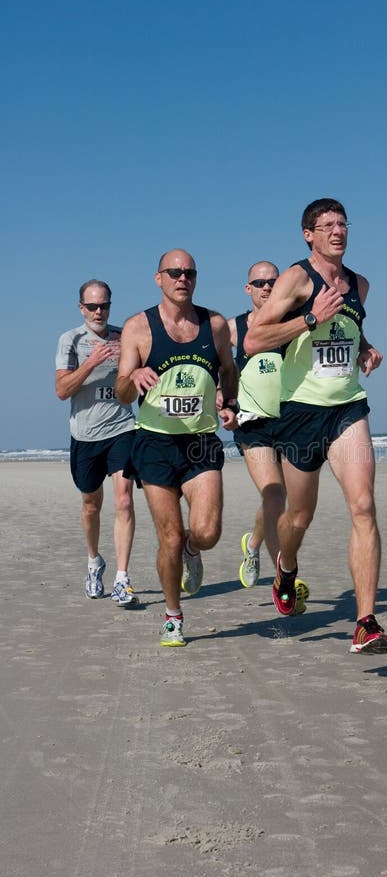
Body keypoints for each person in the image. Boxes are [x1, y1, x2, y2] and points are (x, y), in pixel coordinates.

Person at [244, 198, 387, 655]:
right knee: (299, 516)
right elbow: (253, 339)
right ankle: (285, 567)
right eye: (326, 225)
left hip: (348, 407)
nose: (337, 231)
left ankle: (366, 622)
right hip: (301, 413)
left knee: (363, 506)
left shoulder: (358, 284)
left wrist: (364, 348)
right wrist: (309, 318)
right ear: (308, 234)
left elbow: (350, 326)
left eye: (342, 224)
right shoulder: (296, 279)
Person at [115, 249, 238, 647]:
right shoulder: (138, 327)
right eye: (174, 272)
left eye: (189, 273)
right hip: (153, 442)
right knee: (167, 536)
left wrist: (229, 400)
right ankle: (173, 616)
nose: (182, 278)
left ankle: (192, 548)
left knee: (207, 531)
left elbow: (229, 369)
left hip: (200, 442)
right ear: (159, 278)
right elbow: (120, 394)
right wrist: (133, 374)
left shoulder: (214, 324)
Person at [227, 261, 310, 612]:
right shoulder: (232, 328)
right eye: (259, 282)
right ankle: (284, 580)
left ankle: (253, 544)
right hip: (252, 424)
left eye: (272, 282)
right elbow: (214, 362)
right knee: (274, 494)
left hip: (290, 421)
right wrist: (220, 392)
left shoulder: (293, 322)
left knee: (280, 499)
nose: (266, 287)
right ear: (247, 288)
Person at [55, 280, 138, 606]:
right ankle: (94, 562)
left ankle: (122, 578)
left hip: (122, 427)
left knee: (124, 500)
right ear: (81, 308)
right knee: (91, 505)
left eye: (104, 305)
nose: (99, 312)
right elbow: (62, 390)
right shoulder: (70, 339)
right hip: (85, 434)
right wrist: (92, 361)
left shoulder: (124, 336)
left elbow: (137, 378)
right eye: (92, 306)